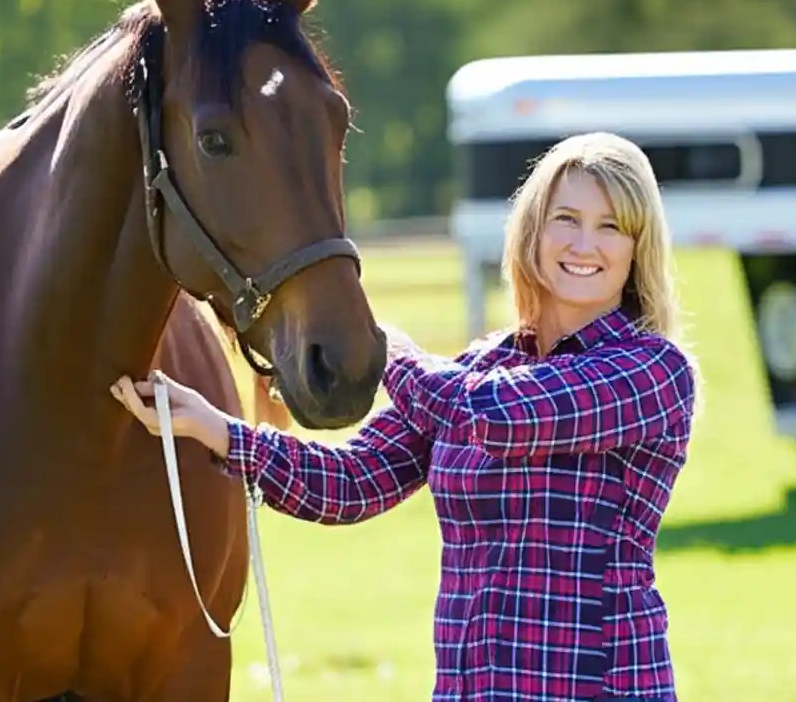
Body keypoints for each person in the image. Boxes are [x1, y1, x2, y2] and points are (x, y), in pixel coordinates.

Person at [111, 131, 698, 702]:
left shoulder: (651, 371)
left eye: (611, 227)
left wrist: (382, 348)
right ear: (533, 231)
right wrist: (215, 427)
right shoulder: (478, 368)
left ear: (636, 249)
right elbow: (352, 481)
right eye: (566, 219)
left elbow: (493, 417)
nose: (584, 244)